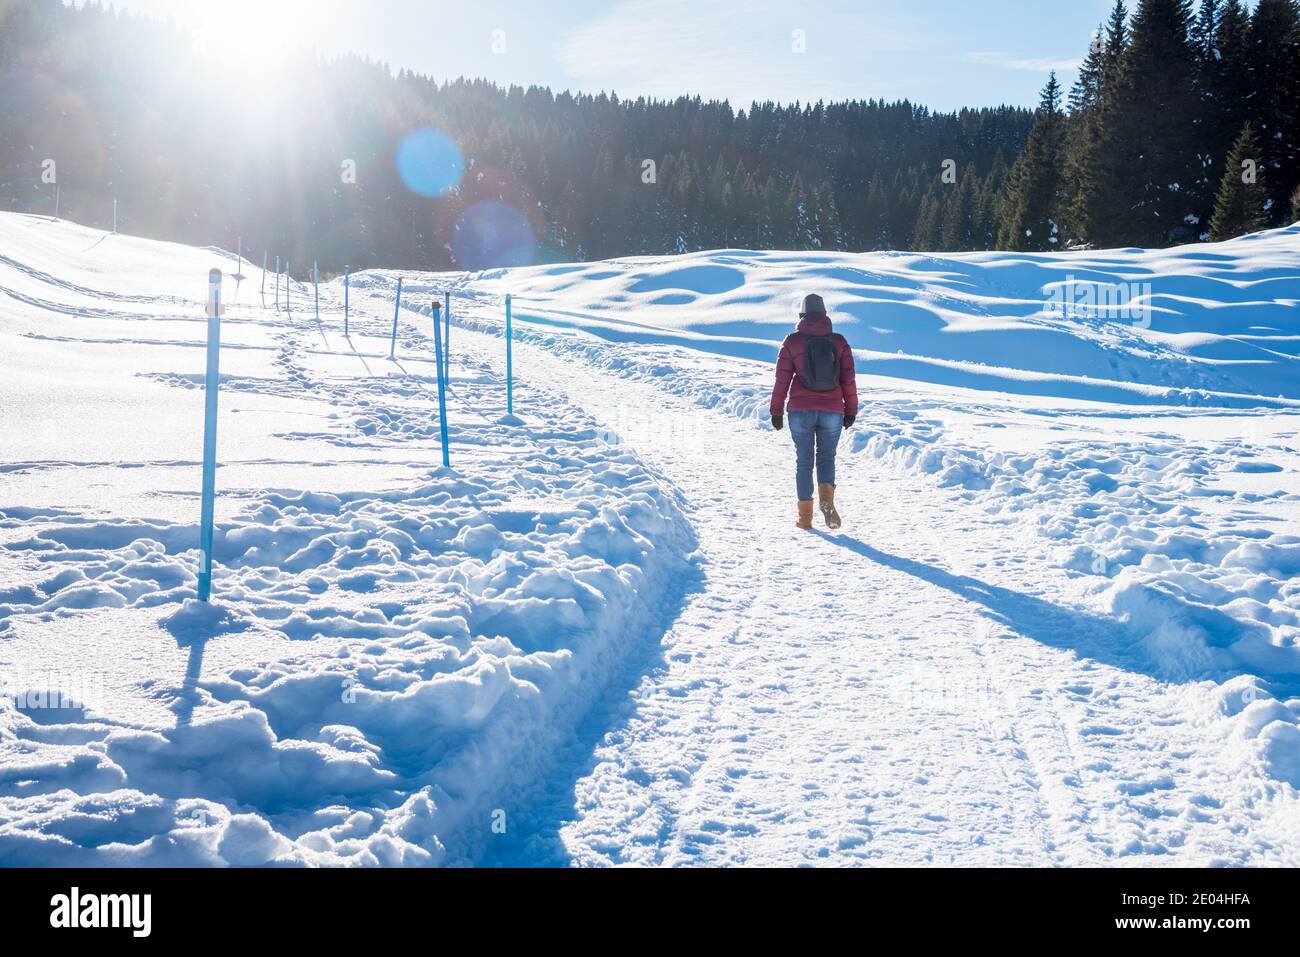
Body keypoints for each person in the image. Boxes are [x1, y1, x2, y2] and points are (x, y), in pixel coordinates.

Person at [769, 293, 858, 530]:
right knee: (827, 457)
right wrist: (851, 410)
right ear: (825, 315)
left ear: (801, 316)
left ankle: (805, 518)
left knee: (804, 461)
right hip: (832, 410)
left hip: (800, 410)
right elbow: (848, 379)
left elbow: (782, 380)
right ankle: (827, 501)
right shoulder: (839, 341)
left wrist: (776, 410)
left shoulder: (792, 341)